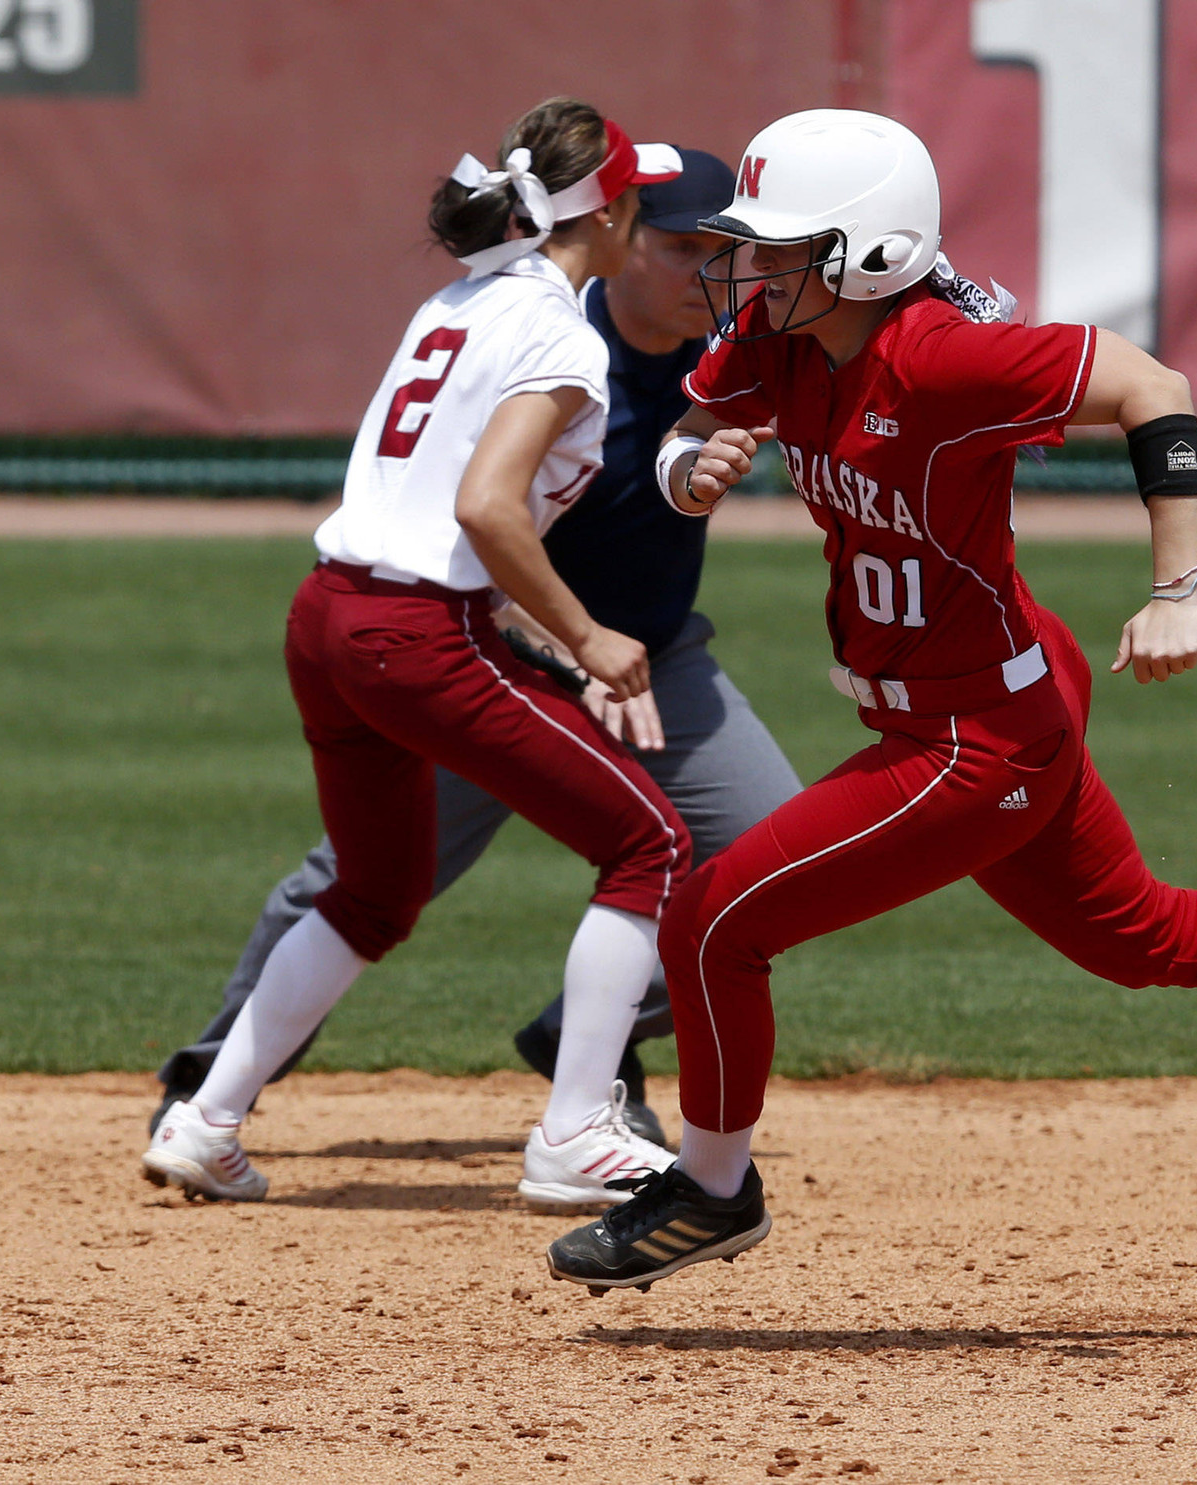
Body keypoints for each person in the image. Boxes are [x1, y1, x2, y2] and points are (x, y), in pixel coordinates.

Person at [545, 109, 1197, 1294]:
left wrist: (1178, 588)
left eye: (786, 247)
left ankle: (713, 1195)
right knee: (1144, 936)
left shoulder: (940, 358)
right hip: (967, 701)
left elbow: (1154, 386)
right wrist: (688, 467)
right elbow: (697, 425)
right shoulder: (784, 336)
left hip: (973, 737)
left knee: (717, 918)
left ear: (868, 254)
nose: (755, 269)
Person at [147, 147, 802, 1152]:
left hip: (654, 662)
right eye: (680, 245)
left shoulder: (723, 350)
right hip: (496, 646)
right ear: (617, 235)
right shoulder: (546, 340)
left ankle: (589, 1038)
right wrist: (572, 646)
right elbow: (479, 527)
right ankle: (209, 1082)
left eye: (727, 252)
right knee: (364, 876)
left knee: (780, 856)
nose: (708, 273)